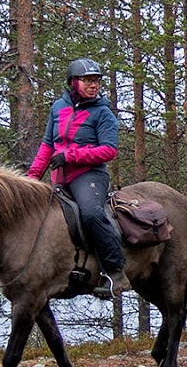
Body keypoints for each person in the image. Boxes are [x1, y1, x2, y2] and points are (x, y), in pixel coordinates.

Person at [26, 58, 124, 298]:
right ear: (73, 82)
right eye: (88, 80)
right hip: (59, 176)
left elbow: (109, 151)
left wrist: (71, 155)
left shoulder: (103, 113)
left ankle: (115, 271)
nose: (93, 85)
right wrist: (30, 179)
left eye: (96, 81)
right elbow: (48, 145)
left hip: (89, 175)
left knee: (90, 213)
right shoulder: (58, 107)